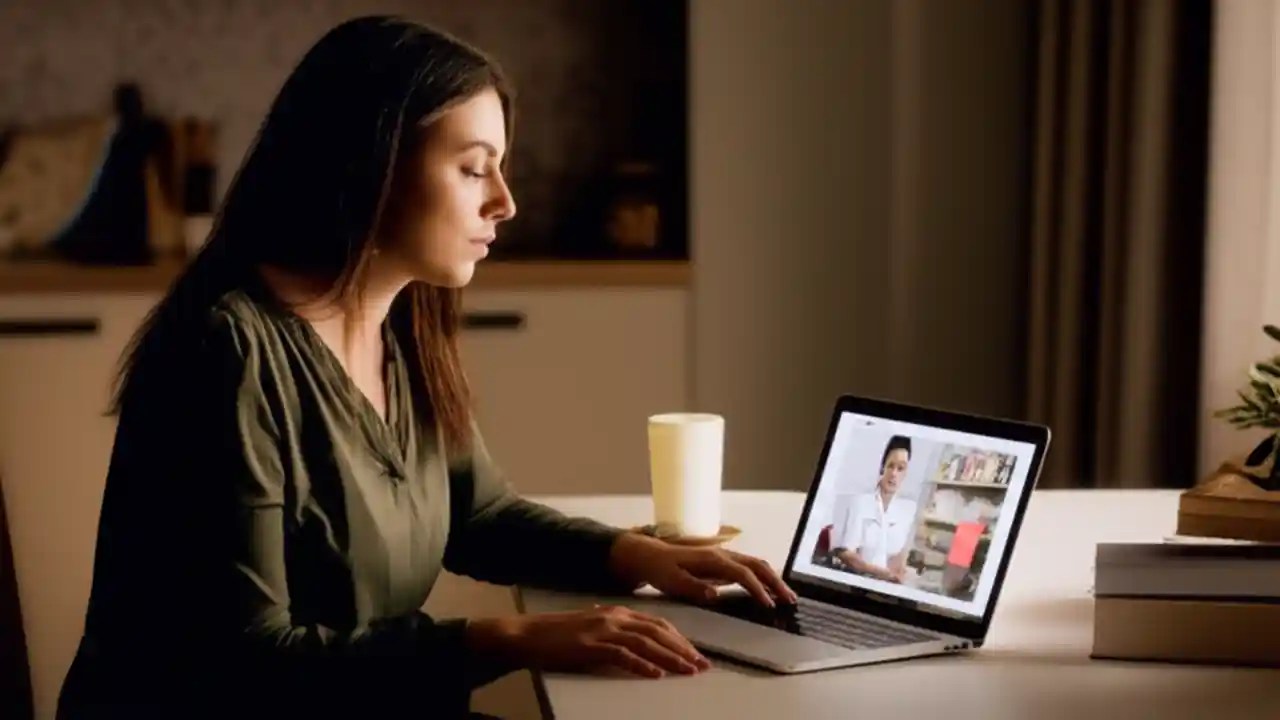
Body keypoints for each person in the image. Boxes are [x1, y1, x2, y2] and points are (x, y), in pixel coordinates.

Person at [55, 16, 796, 719]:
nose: (504, 202)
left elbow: (480, 515)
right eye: (473, 169)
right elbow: (250, 663)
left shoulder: (402, 321)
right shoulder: (228, 350)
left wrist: (639, 556)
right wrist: (507, 639)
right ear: (370, 163)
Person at [831, 435, 919, 584]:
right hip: (857, 581)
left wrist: (899, 574)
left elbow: (900, 559)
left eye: (901, 468)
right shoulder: (860, 502)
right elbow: (846, 553)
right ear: (882, 467)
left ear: (906, 473)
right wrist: (878, 572)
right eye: (890, 466)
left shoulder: (907, 511)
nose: (894, 474)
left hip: (887, 585)